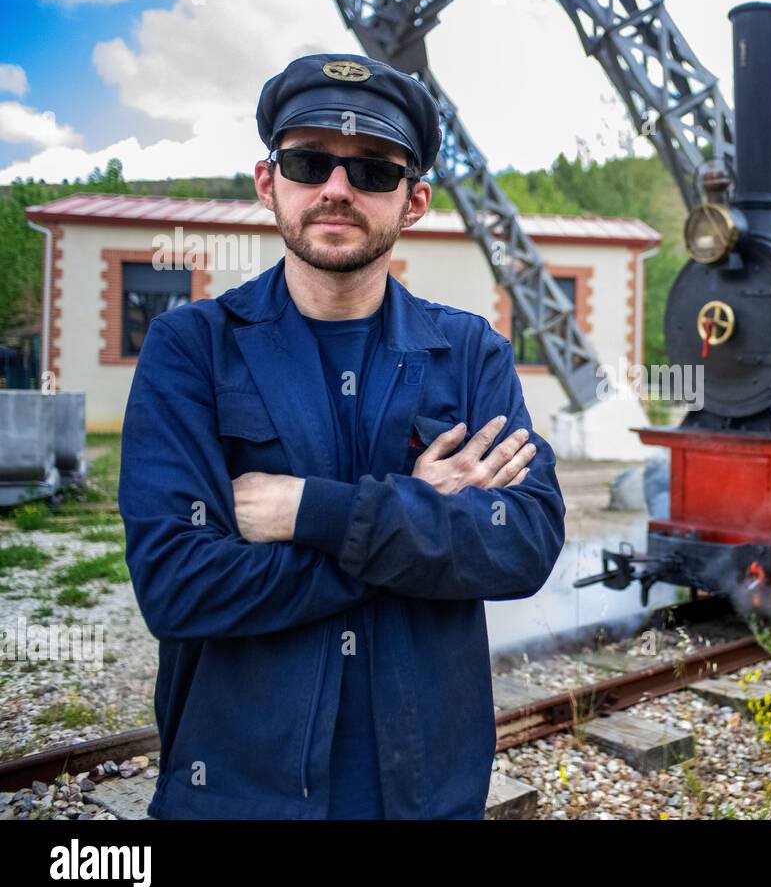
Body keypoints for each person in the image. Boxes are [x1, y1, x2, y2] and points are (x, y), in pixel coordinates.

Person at [117, 53, 566, 819]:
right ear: (270, 184)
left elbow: (524, 542)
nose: (336, 188)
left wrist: (313, 513)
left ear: (414, 201)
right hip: (237, 792)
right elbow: (178, 585)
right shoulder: (192, 347)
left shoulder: (469, 355)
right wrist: (414, 516)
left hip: (426, 793)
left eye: (373, 172)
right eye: (308, 161)